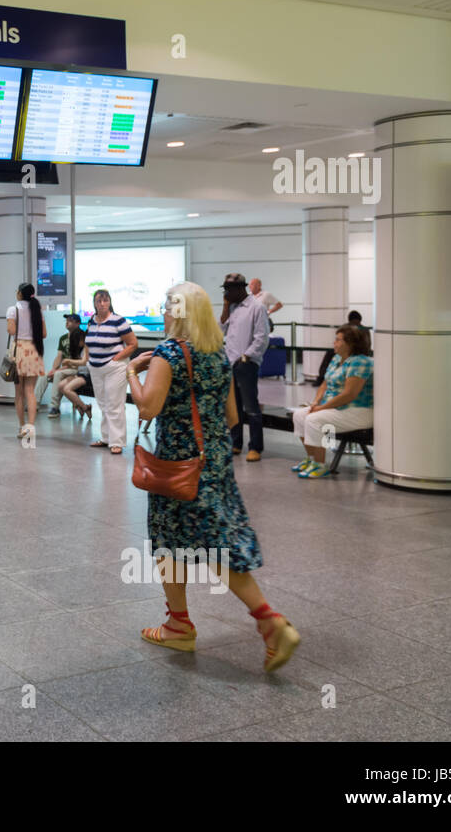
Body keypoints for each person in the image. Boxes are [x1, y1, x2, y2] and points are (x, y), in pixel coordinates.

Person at [126, 281, 300, 673]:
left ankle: (267, 621)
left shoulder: (167, 354)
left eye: (167, 306)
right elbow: (233, 417)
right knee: (203, 538)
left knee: (188, 542)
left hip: (179, 464)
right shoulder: (216, 354)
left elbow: (148, 407)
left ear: (179, 312)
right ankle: (179, 623)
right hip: (216, 459)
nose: (164, 312)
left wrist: (131, 371)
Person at [291, 324, 373, 478]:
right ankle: (311, 459)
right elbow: (325, 383)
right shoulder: (337, 358)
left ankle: (320, 465)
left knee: (314, 419)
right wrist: (316, 402)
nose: (334, 343)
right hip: (337, 408)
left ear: (350, 343)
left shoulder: (361, 362)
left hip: (359, 410)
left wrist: (322, 409)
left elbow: (349, 394)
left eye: (338, 340)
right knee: (299, 415)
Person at [221, 273, 269, 462]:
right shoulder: (232, 307)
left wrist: (246, 356)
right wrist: (225, 306)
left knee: (251, 407)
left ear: (240, 289)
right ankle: (236, 443)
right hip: (230, 361)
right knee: (234, 406)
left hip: (246, 363)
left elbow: (262, 337)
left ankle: (256, 447)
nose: (226, 293)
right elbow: (221, 328)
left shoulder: (257, 307)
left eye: (228, 290)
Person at [84, 289, 138, 454]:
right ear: (94, 303)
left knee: (114, 404)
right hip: (95, 367)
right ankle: (106, 438)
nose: (102, 304)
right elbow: (88, 342)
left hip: (114, 368)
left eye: (105, 300)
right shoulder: (91, 321)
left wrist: (116, 358)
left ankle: (117, 442)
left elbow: (132, 344)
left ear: (110, 302)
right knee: (102, 404)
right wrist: (87, 359)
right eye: (99, 301)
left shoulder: (118, 321)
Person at [6, 283, 46, 437]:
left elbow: (11, 330)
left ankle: (22, 426)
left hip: (19, 352)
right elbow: (43, 333)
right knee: (30, 391)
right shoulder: (37, 309)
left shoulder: (13, 309)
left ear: (20, 294)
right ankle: (30, 427)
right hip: (34, 351)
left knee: (19, 393)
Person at [39, 312, 90, 420]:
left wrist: (63, 367)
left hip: (77, 369)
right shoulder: (63, 338)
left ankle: (54, 407)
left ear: (78, 323)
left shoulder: (81, 336)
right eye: (66, 320)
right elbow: (59, 357)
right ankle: (34, 403)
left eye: (70, 320)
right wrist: (54, 368)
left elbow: (81, 361)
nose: (67, 322)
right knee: (45, 375)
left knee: (58, 374)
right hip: (67, 368)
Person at [314, 310, 368, 385]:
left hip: (352, 351)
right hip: (363, 351)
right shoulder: (365, 329)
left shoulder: (346, 327)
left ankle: (321, 377)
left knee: (329, 353)